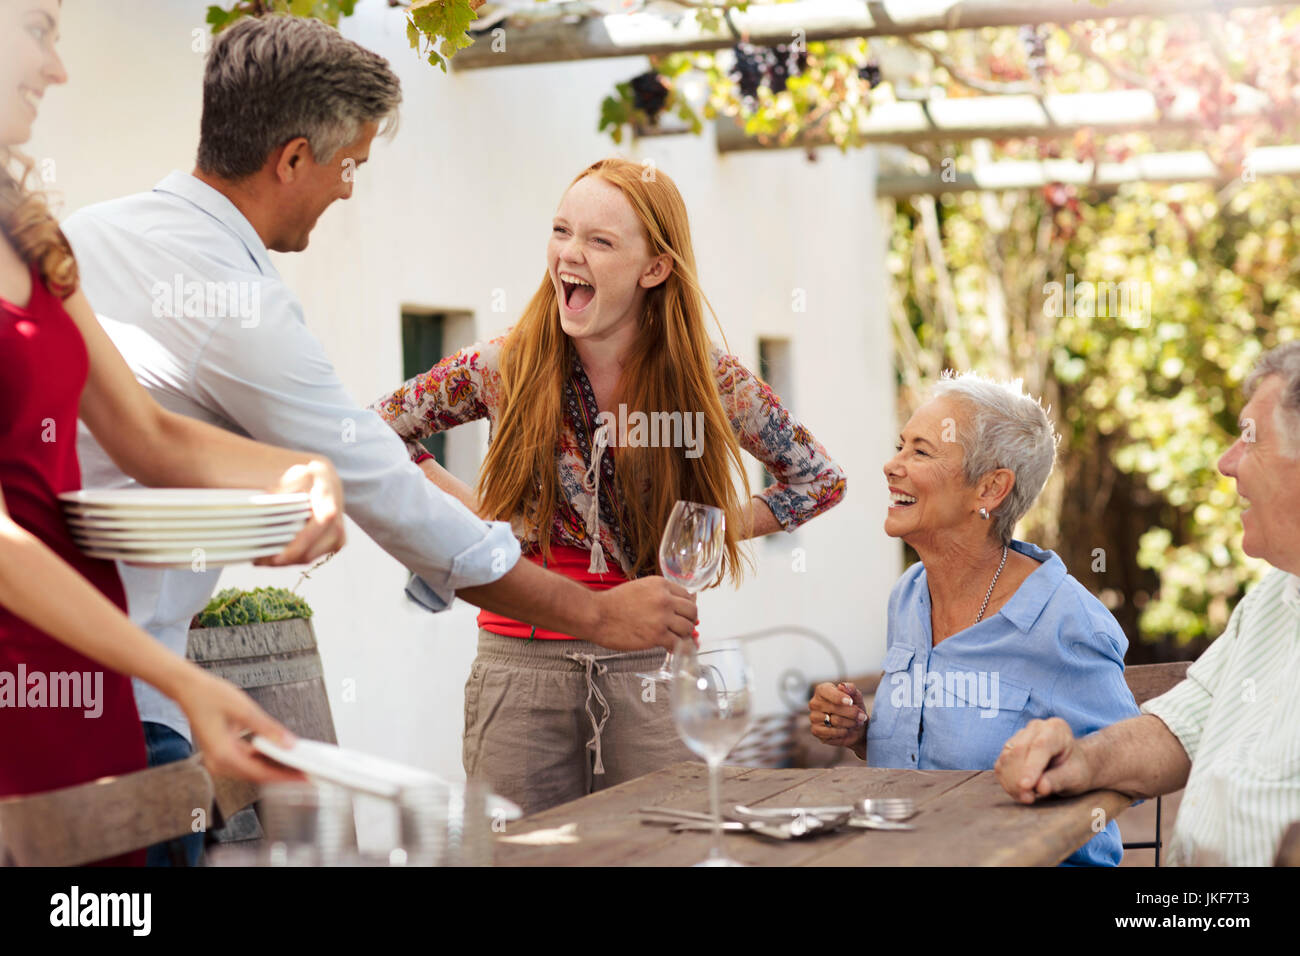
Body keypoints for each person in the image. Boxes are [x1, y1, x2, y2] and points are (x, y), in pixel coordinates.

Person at [62, 15, 695, 863]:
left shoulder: (87, 233)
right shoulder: (236, 305)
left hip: (56, 678)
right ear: (292, 159)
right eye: (348, 164)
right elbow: (382, 487)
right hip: (118, 711)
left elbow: (330, 446)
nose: (350, 190)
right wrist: (599, 614)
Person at [372, 157, 847, 815]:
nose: (570, 254)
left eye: (600, 241)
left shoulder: (705, 379)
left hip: (653, 669)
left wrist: (704, 531)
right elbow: (373, 435)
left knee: (666, 851)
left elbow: (819, 480)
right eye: (562, 231)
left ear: (654, 269)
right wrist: (478, 519)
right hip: (520, 661)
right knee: (522, 864)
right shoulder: (503, 365)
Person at [0, 0, 346, 865]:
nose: (58, 68)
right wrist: (181, 679)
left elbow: (150, 435)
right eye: (39, 30)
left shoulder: (35, 240)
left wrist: (299, 471)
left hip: (92, 684)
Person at [808, 372, 1138, 865]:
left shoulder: (1066, 622)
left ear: (989, 489)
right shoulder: (909, 596)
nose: (891, 465)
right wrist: (861, 733)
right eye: (901, 446)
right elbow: (928, 752)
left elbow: (1130, 767)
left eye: (920, 452)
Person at [995, 342, 1300, 866]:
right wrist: (1082, 759)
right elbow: (1181, 728)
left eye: (1250, 440)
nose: (1226, 463)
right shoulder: (1275, 597)